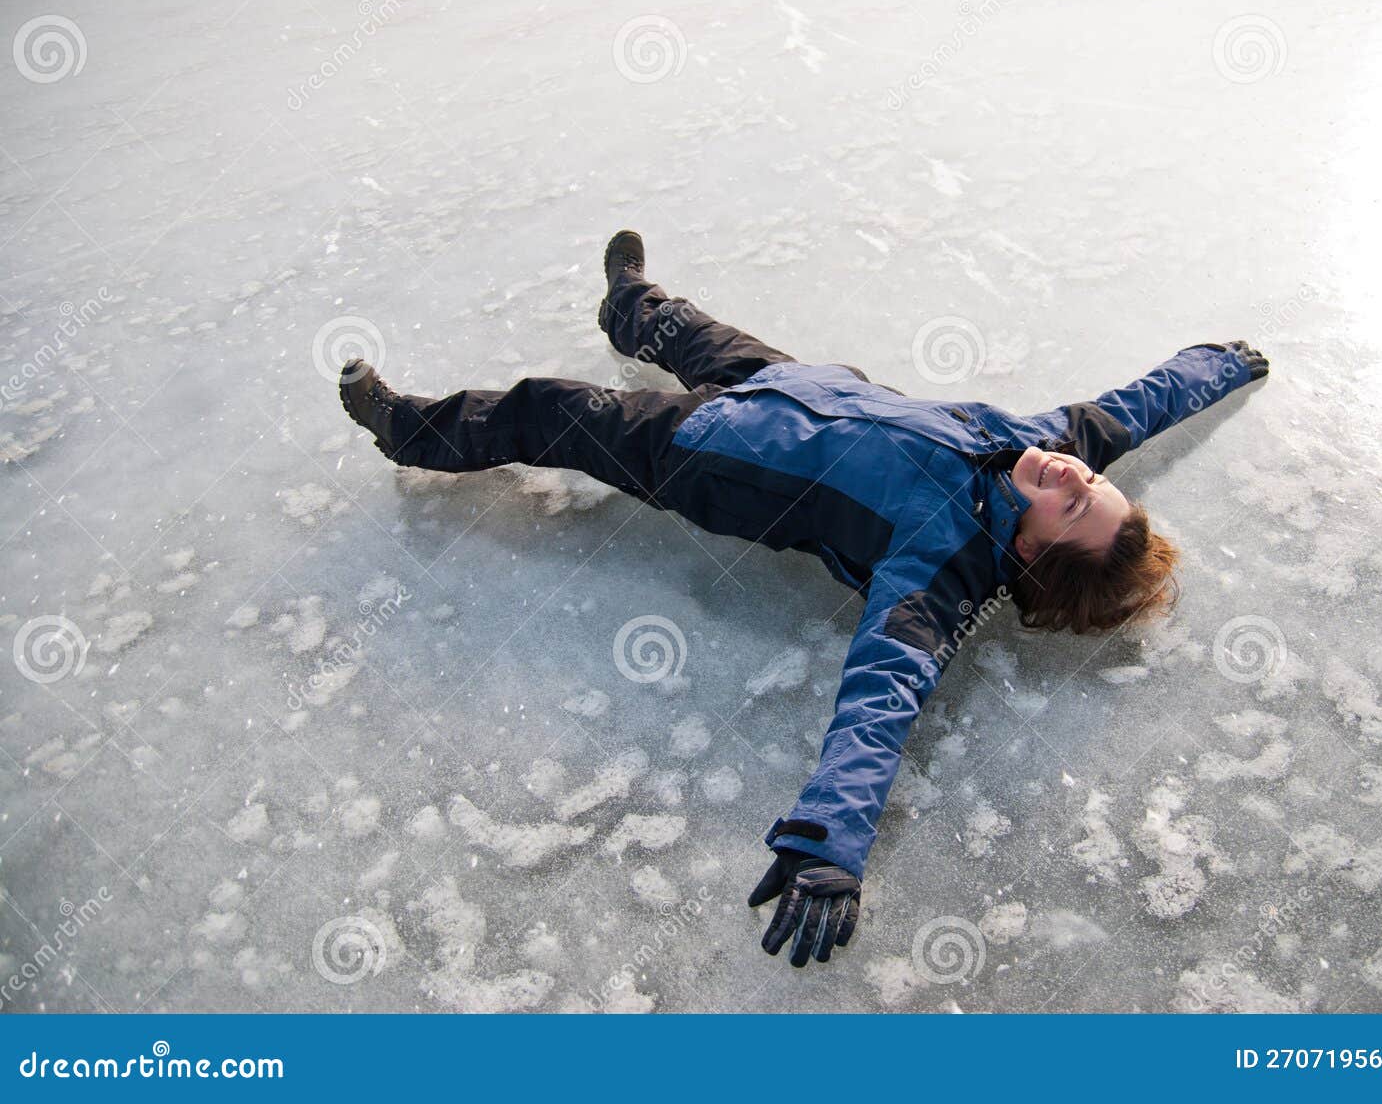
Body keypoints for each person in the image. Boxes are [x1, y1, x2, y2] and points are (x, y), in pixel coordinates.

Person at [337, 231, 1269, 969]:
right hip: (796, 382)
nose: (1073, 472)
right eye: (1091, 482)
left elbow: (881, 702)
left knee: (552, 411)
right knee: (692, 332)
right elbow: (1143, 403)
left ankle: (407, 429)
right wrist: (1220, 362)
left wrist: (831, 838)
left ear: (1033, 550)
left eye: (1072, 503)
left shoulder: (938, 568)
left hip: (707, 453)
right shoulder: (1047, 441)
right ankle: (629, 304)